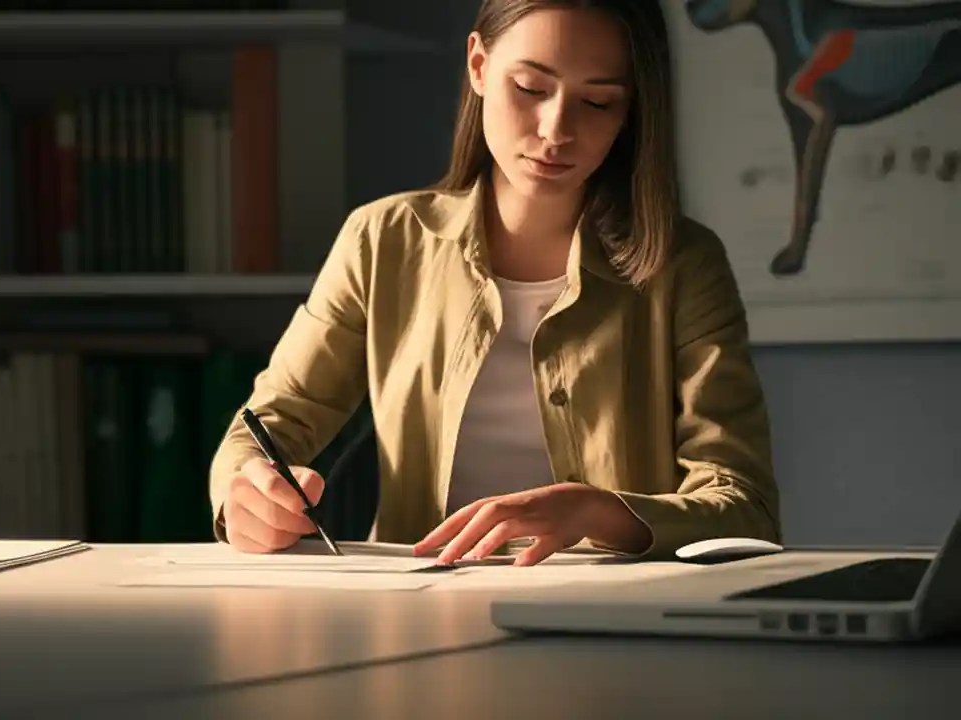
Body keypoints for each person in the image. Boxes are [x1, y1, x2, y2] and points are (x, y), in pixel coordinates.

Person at [208, 0, 780, 566]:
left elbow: (745, 506)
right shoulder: (383, 240)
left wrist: (596, 512)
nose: (557, 129)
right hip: (418, 612)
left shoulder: (684, 265)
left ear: (631, 111)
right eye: (530, 89)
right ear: (478, 66)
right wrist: (246, 493)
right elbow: (268, 424)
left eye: (598, 102)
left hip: (615, 619)